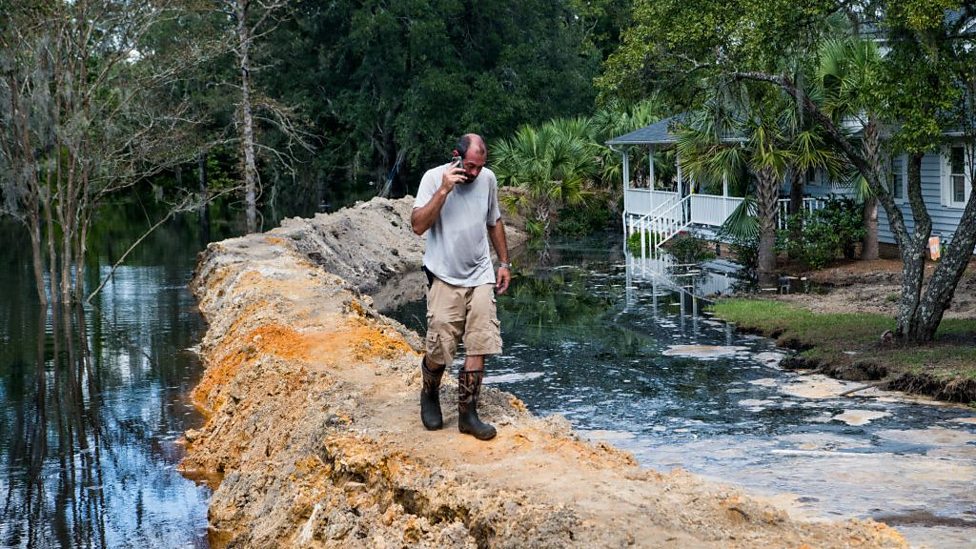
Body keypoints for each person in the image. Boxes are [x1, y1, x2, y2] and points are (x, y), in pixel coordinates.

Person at [410, 133, 511, 441]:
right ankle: (429, 393)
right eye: (470, 166)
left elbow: (494, 221)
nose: (475, 173)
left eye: (480, 166)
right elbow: (417, 226)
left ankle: (468, 414)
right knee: (440, 347)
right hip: (443, 274)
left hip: (480, 274)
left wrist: (504, 264)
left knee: (479, 342)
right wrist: (444, 190)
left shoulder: (488, 179)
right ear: (456, 156)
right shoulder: (432, 179)